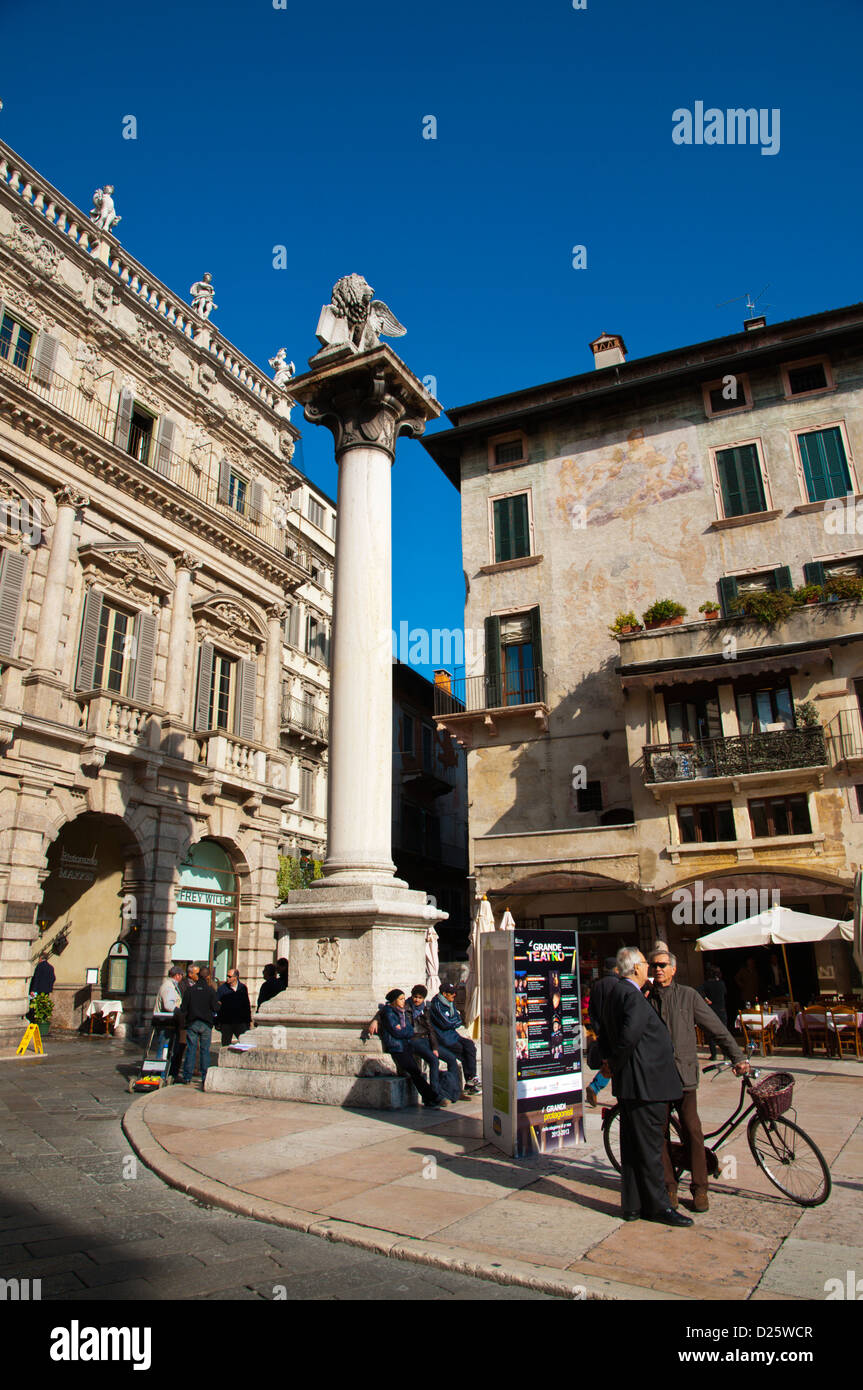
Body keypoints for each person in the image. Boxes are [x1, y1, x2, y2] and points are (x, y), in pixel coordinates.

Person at [593, 946, 692, 1226]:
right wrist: (613, 1063)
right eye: (647, 963)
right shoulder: (631, 996)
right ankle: (658, 1206)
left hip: (632, 1085)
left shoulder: (616, 994)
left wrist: (612, 1063)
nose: (650, 968)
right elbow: (629, 1037)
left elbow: (609, 1034)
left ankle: (633, 1204)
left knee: (633, 1147)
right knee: (649, 1149)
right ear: (636, 968)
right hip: (646, 1084)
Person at [648, 947, 750, 1212]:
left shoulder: (688, 996)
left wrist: (737, 1056)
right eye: (653, 966)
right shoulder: (646, 998)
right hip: (656, 1077)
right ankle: (669, 1187)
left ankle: (700, 1188)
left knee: (693, 1131)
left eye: (662, 965)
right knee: (659, 1134)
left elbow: (716, 1028)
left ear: (673, 969)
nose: (657, 969)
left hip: (684, 1076)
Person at [378, 989, 445, 1107]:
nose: (404, 1001)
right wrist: (405, 1031)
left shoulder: (401, 1012)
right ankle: (433, 1097)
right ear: (394, 1000)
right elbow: (396, 1032)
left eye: (404, 998)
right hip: (397, 1047)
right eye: (401, 999)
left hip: (405, 1045)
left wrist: (404, 1030)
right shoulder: (389, 1012)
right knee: (415, 1072)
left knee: (416, 1072)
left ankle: (429, 1098)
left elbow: (409, 1029)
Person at [429, 982, 481, 1097]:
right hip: (444, 1038)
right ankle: (470, 1082)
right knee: (463, 1051)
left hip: (453, 1034)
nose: (454, 996)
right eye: (452, 994)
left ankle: (471, 1078)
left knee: (470, 1046)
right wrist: (455, 1022)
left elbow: (458, 1019)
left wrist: (454, 1022)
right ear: (444, 994)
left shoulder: (450, 1003)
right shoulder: (437, 1005)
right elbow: (446, 1023)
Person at [585, 957, 619, 1106]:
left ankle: (595, 1086)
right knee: (616, 1063)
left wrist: (597, 1029)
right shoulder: (620, 984)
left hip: (602, 1033)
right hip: (617, 1033)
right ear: (617, 969)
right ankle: (596, 1086)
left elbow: (591, 1011)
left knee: (609, 1062)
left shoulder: (597, 986)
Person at [178, 968, 219, 1086]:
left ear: (198, 976)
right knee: (205, 1050)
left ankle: (187, 1076)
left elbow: (183, 1008)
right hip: (206, 1023)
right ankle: (205, 1075)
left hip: (193, 1022)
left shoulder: (190, 990)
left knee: (191, 1049)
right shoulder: (210, 991)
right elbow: (216, 1008)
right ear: (208, 977)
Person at [152, 966, 184, 1073]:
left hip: (165, 1021)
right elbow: (168, 1005)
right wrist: (179, 1012)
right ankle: (159, 1072)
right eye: (181, 975)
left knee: (165, 1047)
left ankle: (161, 1070)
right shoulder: (169, 987)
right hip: (165, 1022)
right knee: (163, 1048)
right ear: (177, 975)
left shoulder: (169, 985)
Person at [697, 964, 729, 1061]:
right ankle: (726, 1054)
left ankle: (714, 1054)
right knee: (723, 1033)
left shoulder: (707, 984)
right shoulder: (721, 984)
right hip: (721, 1009)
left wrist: (706, 998)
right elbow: (725, 993)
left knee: (711, 1033)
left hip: (711, 1010)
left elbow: (697, 991)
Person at [216, 968, 251, 1047]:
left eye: (229, 976)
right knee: (225, 1044)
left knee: (245, 1042)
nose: (227, 978)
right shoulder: (222, 989)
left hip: (240, 1021)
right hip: (226, 1022)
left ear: (235, 977)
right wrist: (218, 1021)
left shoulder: (242, 988)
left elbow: (246, 1004)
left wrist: (248, 1020)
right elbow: (217, 1004)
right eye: (227, 976)